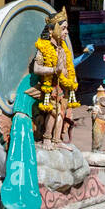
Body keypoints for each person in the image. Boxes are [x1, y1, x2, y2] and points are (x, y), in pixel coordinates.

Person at [30, 8, 79, 146]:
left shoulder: (63, 48)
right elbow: (36, 68)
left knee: (61, 113)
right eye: (63, 29)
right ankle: (47, 138)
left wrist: (72, 78)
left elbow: (68, 66)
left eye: (66, 29)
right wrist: (53, 70)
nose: (66, 32)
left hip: (62, 88)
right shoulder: (43, 47)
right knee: (53, 113)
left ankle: (57, 140)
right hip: (49, 87)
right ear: (51, 31)